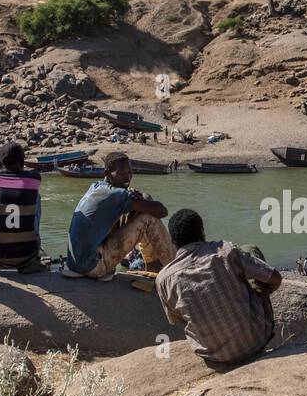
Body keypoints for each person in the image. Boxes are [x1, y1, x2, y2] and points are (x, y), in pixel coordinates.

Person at [155, 209, 282, 366]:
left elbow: (176, 319)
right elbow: (276, 278)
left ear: (173, 241)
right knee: (250, 249)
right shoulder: (226, 251)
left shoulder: (163, 279)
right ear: (202, 232)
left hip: (214, 356)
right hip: (256, 342)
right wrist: (260, 294)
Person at [63, 151, 173, 280]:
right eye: (121, 174)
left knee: (136, 209)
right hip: (93, 266)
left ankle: (153, 266)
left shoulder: (96, 187)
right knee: (148, 218)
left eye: (129, 172)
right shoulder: (116, 195)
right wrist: (142, 197)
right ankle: (175, 267)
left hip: (76, 264)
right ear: (107, 174)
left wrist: (132, 197)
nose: (127, 177)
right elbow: (162, 211)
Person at [0, 141, 47, 274]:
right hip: (27, 256)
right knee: (36, 197)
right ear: (22, 161)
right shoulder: (35, 179)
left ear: (1, 162)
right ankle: (33, 258)